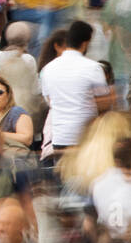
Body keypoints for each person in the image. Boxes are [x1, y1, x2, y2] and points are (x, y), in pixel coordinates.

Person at [39, 21, 112, 156]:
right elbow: (104, 103)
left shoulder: (47, 69)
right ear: (85, 43)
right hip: (86, 138)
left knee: (63, 175)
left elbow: (50, 101)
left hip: (59, 138)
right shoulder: (93, 68)